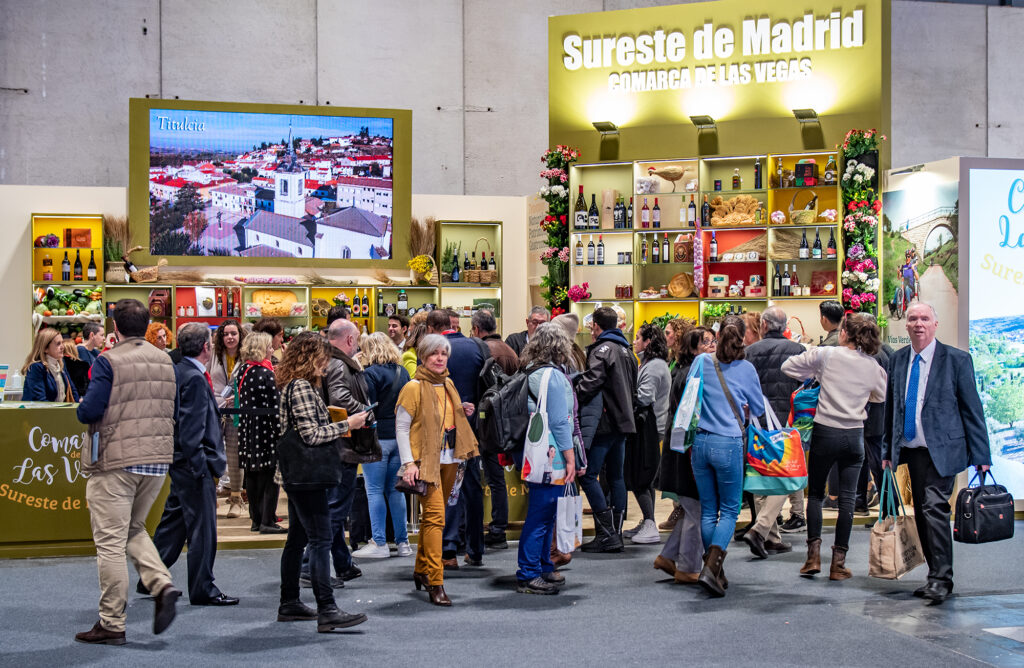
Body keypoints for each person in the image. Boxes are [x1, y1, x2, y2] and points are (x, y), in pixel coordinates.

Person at [74, 298, 181, 645]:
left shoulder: (109, 360)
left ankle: (112, 622)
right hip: (157, 460)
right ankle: (161, 583)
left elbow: (89, 410)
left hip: (115, 461)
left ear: (115, 327)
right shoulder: (165, 359)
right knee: (135, 528)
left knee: (109, 543)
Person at [882, 302, 991, 604]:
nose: (919, 323)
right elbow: (892, 408)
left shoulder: (956, 360)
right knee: (924, 512)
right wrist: (888, 450)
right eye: (913, 318)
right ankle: (936, 574)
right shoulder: (899, 360)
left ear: (935, 324)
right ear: (906, 325)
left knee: (933, 508)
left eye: (925, 319)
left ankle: (941, 578)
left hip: (943, 450)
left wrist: (981, 454)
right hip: (912, 450)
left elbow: (973, 410)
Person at [782, 313, 887, 581]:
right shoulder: (873, 366)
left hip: (825, 431)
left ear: (843, 333)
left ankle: (813, 557)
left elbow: (789, 367)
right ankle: (838, 564)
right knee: (849, 500)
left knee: (816, 495)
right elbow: (880, 395)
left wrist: (817, 373)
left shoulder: (827, 355)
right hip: (854, 435)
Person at [275, 332, 369, 630]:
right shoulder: (302, 387)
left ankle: (289, 602)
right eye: (322, 358)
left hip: (298, 475)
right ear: (310, 357)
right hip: (308, 477)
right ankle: (327, 609)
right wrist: (347, 424)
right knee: (320, 539)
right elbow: (311, 435)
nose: (326, 365)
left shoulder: (294, 385)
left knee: (298, 540)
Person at [149, 323, 238, 607]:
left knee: (174, 522)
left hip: (182, 461)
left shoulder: (180, 372)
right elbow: (191, 429)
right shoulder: (196, 378)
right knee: (203, 530)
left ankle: (149, 576)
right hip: (193, 464)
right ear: (206, 347)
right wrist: (202, 466)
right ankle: (203, 589)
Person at [397, 334, 480, 606]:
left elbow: (447, 419)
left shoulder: (448, 384)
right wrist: (408, 463)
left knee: (434, 519)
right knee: (435, 519)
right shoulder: (413, 387)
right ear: (423, 356)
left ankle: (421, 570)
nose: (440, 358)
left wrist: (461, 411)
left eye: (443, 353)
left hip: (450, 460)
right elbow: (402, 428)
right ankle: (436, 579)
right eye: (434, 354)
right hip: (426, 463)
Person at [687, 315, 766, 597]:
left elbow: (688, 398)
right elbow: (757, 407)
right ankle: (712, 569)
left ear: (717, 335)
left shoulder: (701, 362)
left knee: (709, 509)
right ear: (743, 337)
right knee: (730, 510)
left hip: (700, 442)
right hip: (730, 442)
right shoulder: (746, 369)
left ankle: (713, 570)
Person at [313, 318, 378, 584]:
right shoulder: (340, 363)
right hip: (344, 444)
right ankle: (311, 564)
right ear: (350, 340)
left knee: (335, 508)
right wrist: (365, 411)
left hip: (338, 444)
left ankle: (342, 563)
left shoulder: (330, 361)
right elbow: (339, 398)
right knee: (336, 509)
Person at [515, 324, 578, 594]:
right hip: (550, 455)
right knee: (541, 514)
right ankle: (529, 572)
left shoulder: (531, 371)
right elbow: (560, 422)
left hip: (535, 451)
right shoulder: (552, 376)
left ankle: (542, 565)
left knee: (545, 513)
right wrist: (571, 457)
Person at [426, 309, 489, 568]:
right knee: (473, 490)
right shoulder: (478, 347)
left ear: (431, 328)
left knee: (447, 490)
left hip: (443, 431)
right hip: (473, 430)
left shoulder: (432, 354)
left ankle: (448, 550)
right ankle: (475, 550)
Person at [742, 306, 805, 558]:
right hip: (789, 422)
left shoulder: (749, 352)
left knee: (761, 475)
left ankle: (768, 533)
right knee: (786, 475)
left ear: (764, 325)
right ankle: (766, 532)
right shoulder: (798, 350)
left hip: (758, 421)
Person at [575, 306, 638, 553]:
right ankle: (617, 533)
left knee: (588, 474)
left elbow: (592, 381)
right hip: (623, 422)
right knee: (616, 477)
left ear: (596, 327)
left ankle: (606, 533)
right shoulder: (627, 350)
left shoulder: (602, 349)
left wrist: (573, 392)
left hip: (604, 422)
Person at [654, 327, 713, 584]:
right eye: (706, 342)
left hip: (680, 448)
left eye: (714, 341)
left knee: (692, 507)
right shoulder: (693, 374)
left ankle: (668, 557)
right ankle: (688, 566)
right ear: (692, 348)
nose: (712, 346)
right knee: (696, 508)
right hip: (688, 450)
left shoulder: (683, 370)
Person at [352, 332, 412, 559]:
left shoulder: (369, 374)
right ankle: (403, 542)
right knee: (395, 490)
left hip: (377, 439)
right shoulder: (403, 372)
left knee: (374, 490)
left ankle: (379, 542)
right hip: (400, 437)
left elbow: (366, 407)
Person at [471, 309, 517, 549]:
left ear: (477, 330)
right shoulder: (509, 349)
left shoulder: (482, 350)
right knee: (498, 476)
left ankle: (494, 528)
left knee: (488, 476)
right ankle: (499, 526)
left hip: (488, 420)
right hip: (508, 420)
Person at [623, 323, 671, 545]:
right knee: (646, 477)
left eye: (638, 338)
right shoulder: (654, 364)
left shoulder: (652, 367)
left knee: (641, 476)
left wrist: (623, 396)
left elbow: (644, 397)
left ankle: (650, 522)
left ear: (648, 342)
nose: (634, 341)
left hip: (650, 429)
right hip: (652, 427)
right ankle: (647, 519)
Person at [236, 331, 284, 534]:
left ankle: (256, 519)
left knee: (252, 476)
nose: (271, 350)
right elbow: (275, 405)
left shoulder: (244, 370)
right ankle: (268, 520)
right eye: (268, 347)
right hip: (265, 430)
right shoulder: (265, 373)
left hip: (248, 429)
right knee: (270, 477)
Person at [210, 320, 246, 518]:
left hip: (237, 411)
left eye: (234, 333)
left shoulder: (246, 356)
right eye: (226, 334)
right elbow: (208, 380)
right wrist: (219, 399)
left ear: (240, 335)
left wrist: (238, 397)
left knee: (234, 455)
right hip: (216, 408)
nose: (230, 337)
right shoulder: (214, 356)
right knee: (213, 452)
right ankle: (210, 498)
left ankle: (236, 499)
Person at [22, 327, 79, 402]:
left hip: (57, 412)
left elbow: (73, 391)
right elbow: (39, 399)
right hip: (41, 412)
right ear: (45, 348)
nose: (62, 347)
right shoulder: (36, 368)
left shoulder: (60, 365)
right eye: (58, 344)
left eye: (62, 343)